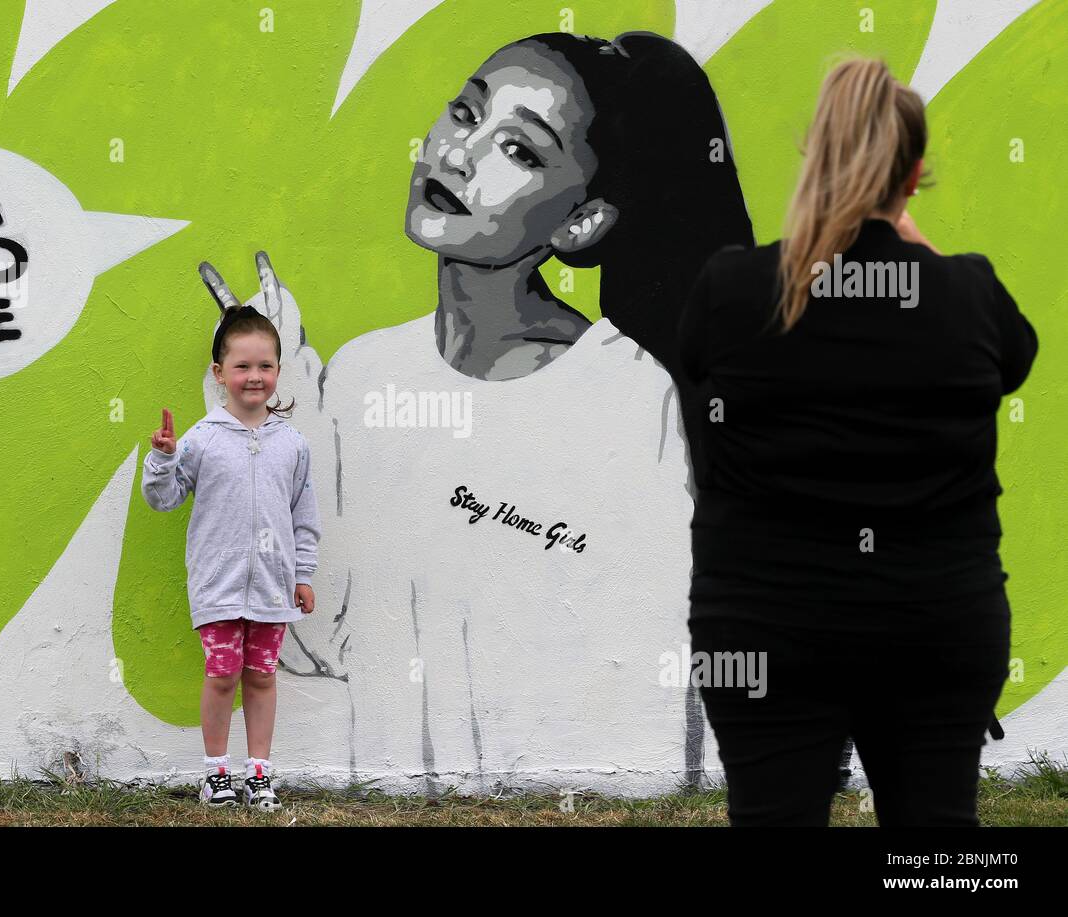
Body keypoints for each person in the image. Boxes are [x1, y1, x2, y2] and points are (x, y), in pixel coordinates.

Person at [194, 32, 752, 796]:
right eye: (465, 113)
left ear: (580, 224)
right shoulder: (363, 375)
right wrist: (279, 407)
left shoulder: (624, 398)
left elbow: (652, 693)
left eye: (520, 150)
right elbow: (318, 639)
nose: (457, 154)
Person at [676, 56, 1038, 826]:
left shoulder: (733, 289)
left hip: (763, 627)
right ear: (912, 177)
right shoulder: (967, 294)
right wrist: (919, 247)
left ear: (816, 156)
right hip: (935, 623)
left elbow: (699, 377)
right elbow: (1016, 355)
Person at [140, 301, 323, 810]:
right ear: (220, 373)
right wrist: (163, 458)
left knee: (262, 676)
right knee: (222, 674)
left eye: (265, 365)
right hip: (217, 584)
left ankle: (259, 772)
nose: (254, 376)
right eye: (242, 366)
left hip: (272, 585)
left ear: (279, 371)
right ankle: (216, 772)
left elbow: (303, 516)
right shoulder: (201, 439)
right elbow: (164, 499)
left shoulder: (293, 445)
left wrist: (302, 574)